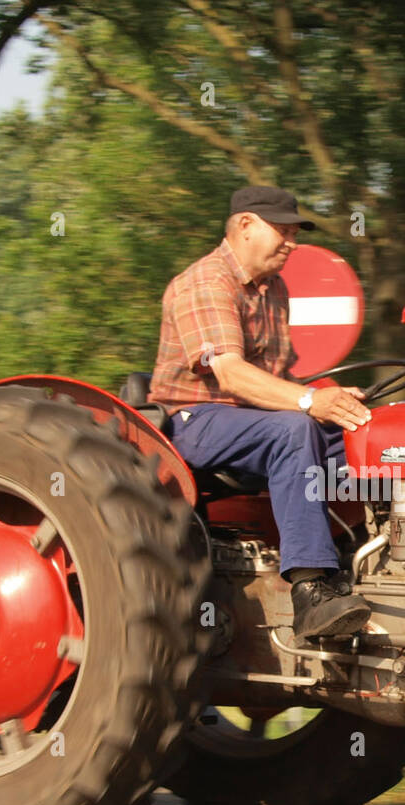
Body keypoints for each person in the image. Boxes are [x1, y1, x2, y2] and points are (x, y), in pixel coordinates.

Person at [148, 186, 373, 640]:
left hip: (252, 419)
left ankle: (373, 560)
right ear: (245, 225)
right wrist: (309, 402)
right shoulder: (206, 283)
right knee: (293, 430)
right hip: (195, 420)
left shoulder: (274, 289)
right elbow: (230, 375)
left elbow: (279, 378)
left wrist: (331, 400)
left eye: (294, 232)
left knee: (370, 434)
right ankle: (310, 588)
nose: (291, 241)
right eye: (282, 230)